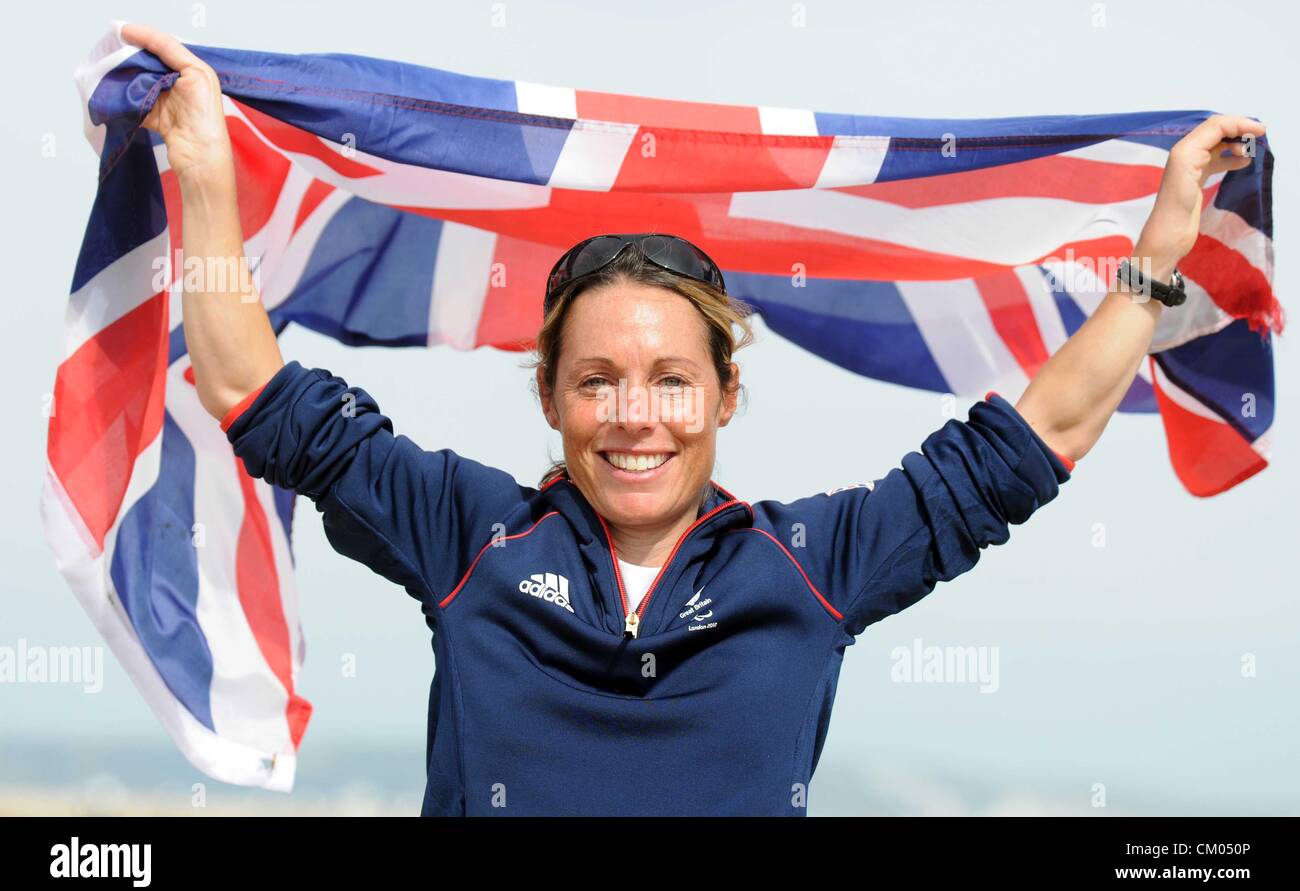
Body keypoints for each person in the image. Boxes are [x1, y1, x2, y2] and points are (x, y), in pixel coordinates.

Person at [121, 23, 1265, 816]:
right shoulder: (465, 534)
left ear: (724, 394)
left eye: (671, 379)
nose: (635, 417)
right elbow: (252, 394)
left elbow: (1039, 436)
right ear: (551, 396)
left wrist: (1156, 259)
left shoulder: (818, 563)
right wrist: (210, 169)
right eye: (597, 379)